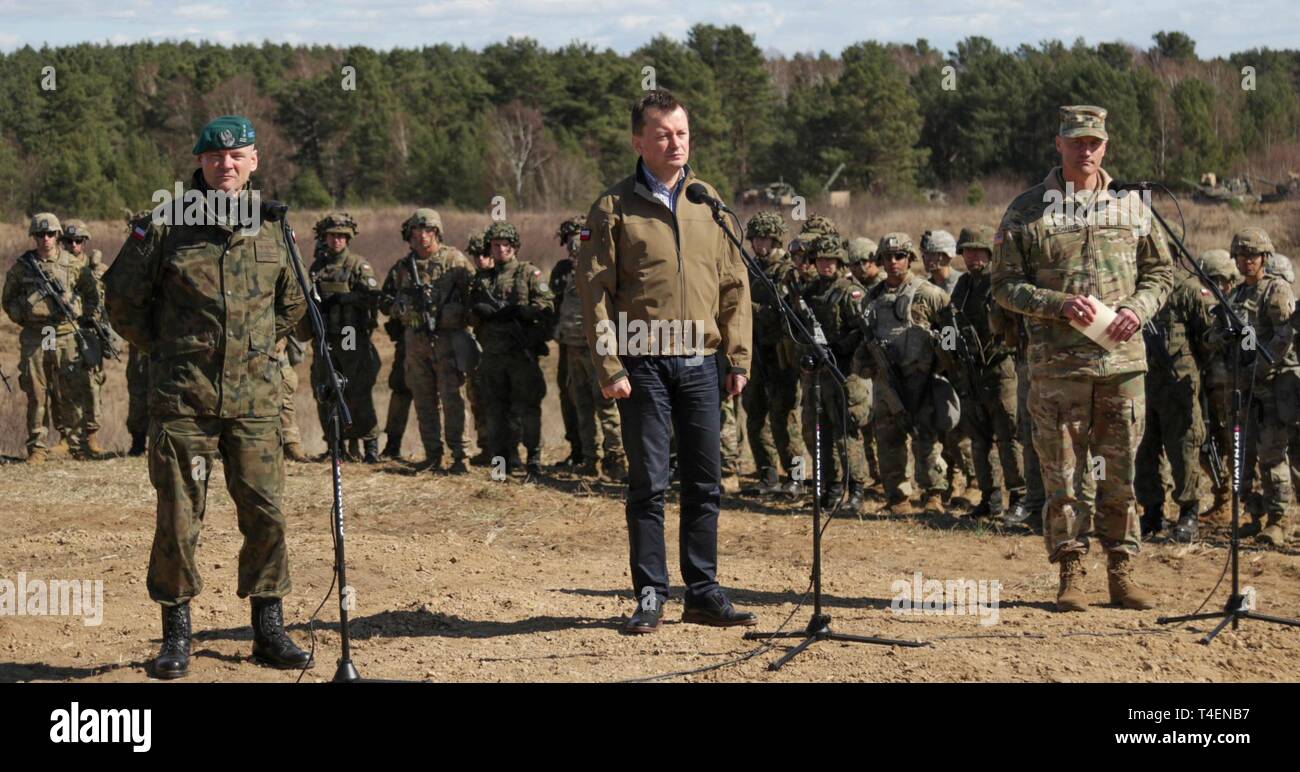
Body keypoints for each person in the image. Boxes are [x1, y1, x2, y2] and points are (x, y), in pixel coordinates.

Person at [104, 115, 312, 677]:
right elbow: (121, 301)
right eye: (216, 157)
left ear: (254, 161)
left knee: (267, 515)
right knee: (178, 518)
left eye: (238, 156)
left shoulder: (272, 227)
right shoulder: (165, 224)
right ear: (200, 161)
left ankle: (269, 631)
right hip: (184, 402)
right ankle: (176, 638)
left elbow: (295, 303)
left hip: (255, 405)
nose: (226, 165)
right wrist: (172, 349)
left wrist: (258, 350)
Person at [577, 88, 755, 633]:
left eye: (681, 133)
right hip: (643, 365)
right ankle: (651, 593)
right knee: (649, 484)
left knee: (705, 483)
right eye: (663, 134)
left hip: (701, 362)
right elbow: (595, 294)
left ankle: (703, 592)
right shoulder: (613, 207)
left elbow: (734, 284)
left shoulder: (707, 199)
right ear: (639, 141)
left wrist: (738, 357)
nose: (675, 143)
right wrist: (610, 367)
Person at [991, 105, 1174, 612]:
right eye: (1076, 141)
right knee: (1062, 474)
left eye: (1094, 141)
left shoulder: (1133, 208)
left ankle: (1122, 572)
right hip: (1057, 369)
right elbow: (1004, 285)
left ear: (1105, 145)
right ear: (1059, 144)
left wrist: (1138, 310)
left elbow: (1162, 273)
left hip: (1120, 364)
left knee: (1119, 473)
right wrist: (1055, 305)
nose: (1085, 150)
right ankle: (1070, 571)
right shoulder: (1028, 210)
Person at [857, 232, 951, 516]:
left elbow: (951, 330)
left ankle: (933, 495)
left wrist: (942, 363)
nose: (894, 262)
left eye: (900, 256)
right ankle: (897, 497)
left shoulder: (928, 293)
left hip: (920, 378)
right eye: (887, 257)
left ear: (910, 259)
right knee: (888, 439)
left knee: (927, 439)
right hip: (886, 383)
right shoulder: (872, 298)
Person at [1213, 228, 1296, 547]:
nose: (1248, 261)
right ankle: (1253, 513)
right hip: (1240, 389)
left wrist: (1259, 368)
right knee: (1241, 454)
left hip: (1270, 389)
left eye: (1254, 256)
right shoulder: (1233, 296)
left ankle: (1278, 520)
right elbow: (1215, 336)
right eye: (1242, 255)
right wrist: (1220, 337)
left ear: (1265, 258)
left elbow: (1284, 337)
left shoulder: (1275, 289)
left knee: (1272, 456)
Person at [378, 209, 474, 473]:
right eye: (417, 231)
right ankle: (433, 454)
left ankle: (460, 456)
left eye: (428, 230)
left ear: (437, 232)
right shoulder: (403, 268)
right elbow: (385, 302)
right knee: (423, 399)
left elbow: (474, 296)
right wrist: (402, 307)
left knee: (453, 398)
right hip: (415, 342)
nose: (422, 236)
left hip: (448, 340)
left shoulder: (454, 261)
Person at [3, 214, 100, 463]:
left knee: (71, 388)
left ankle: (77, 444)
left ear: (57, 236)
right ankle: (38, 446)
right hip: (37, 336)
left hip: (65, 333)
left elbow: (92, 294)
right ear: (34, 237)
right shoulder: (24, 266)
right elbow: (7, 300)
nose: (45, 239)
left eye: (50, 234)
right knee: (37, 391)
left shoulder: (73, 264)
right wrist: (24, 314)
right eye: (40, 235)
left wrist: (82, 316)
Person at [1134, 256, 1215, 542]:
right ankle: (1152, 511)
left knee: (1183, 447)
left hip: (1178, 384)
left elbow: (1207, 339)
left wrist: (1188, 370)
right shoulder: (1133, 287)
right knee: (1144, 450)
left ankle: (1189, 511)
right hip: (1141, 381)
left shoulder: (1187, 290)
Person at [947, 225, 1025, 519]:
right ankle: (989, 498)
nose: (972, 256)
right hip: (970, 372)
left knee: (1009, 436)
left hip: (1000, 368)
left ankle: (1019, 497)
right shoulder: (964, 285)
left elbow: (1015, 327)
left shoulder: (1000, 283)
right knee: (979, 440)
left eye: (978, 251)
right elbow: (951, 322)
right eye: (968, 251)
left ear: (990, 253)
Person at [469, 221, 554, 477]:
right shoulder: (483, 280)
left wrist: (521, 312)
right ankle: (500, 462)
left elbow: (547, 305)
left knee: (528, 408)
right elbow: (469, 314)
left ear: (514, 246)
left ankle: (534, 461)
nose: (501, 249)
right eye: (495, 245)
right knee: (495, 409)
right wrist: (478, 311)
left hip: (521, 354)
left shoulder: (528, 273)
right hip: (493, 355)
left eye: (505, 244)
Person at [552, 216, 625, 479]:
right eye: (572, 250)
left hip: (599, 351)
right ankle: (589, 458)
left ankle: (617, 460)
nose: (575, 253)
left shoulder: (600, 273)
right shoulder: (568, 276)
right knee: (581, 405)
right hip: (572, 349)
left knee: (606, 406)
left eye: (580, 248)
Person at [306, 212, 382, 463]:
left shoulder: (358, 265)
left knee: (356, 389)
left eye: (341, 236)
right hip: (326, 337)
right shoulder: (317, 267)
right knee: (325, 389)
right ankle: (334, 446)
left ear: (348, 239)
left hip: (351, 335)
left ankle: (370, 446)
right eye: (332, 236)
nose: (336, 241)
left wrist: (344, 298)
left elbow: (373, 296)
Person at [742, 211, 806, 497]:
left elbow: (784, 314)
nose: (759, 244)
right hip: (754, 353)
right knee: (755, 415)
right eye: (755, 238)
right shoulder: (749, 269)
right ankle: (767, 474)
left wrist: (748, 310)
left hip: (781, 356)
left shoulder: (786, 271)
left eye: (764, 238)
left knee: (784, 419)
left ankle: (797, 478)